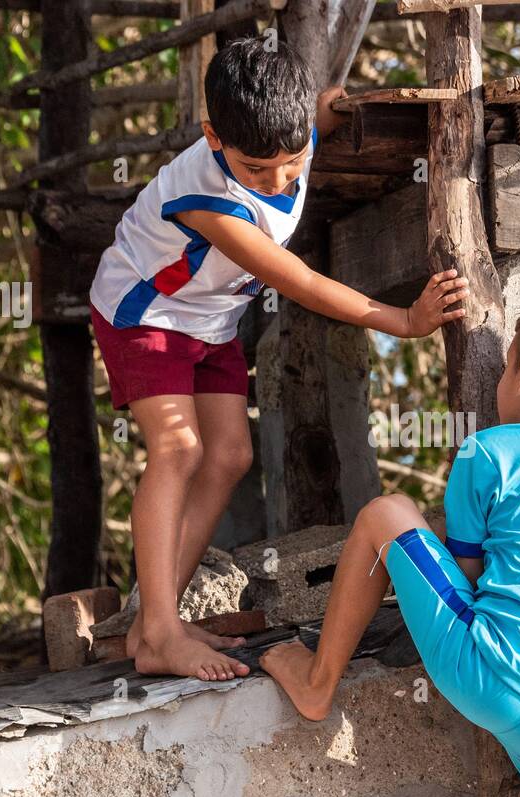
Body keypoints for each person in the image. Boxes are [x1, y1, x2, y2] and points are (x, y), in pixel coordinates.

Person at [88, 38, 468, 681]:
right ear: (213, 138)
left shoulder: (292, 134)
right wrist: (401, 320)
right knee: (178, 450)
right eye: (256, 168)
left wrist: (341, 106)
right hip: (144, 313)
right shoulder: (209, 198)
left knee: (230, 454)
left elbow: (322, 109)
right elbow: (298, 281)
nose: (278, 180)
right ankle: (156, 630)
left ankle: (159, 622)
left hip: (210, 321)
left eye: (291, 162)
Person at [261, 290, 520, 797]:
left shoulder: (489, 451)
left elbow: (466, 574)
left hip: (490, 671)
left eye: (505, 366)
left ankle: (316, 684)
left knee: (386, 513)